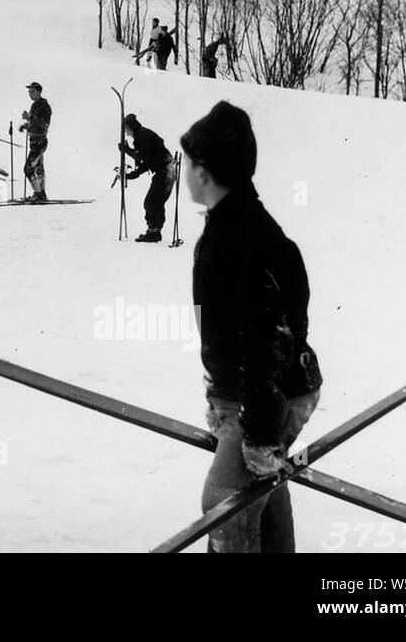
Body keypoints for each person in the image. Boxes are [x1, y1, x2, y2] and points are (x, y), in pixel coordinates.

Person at [180, 101, 323, 554]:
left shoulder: (238, 240)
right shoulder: (236, 227)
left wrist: (258, 433)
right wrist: (220, 393)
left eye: (188, 163)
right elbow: (231, 329)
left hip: (270, 391)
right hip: (258, 390)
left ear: (203, 172)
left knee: (224, 502)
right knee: (258, 490)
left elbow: (270, 339)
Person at [120, 112, 176, 242]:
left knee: (151, 202)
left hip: (166, 170)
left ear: (131, 127)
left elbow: (145, 156)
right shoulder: (141, 136)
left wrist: (127, 151)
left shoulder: (143, 136)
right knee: (156, 202)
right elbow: (149, 160)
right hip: (166, 169)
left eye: (126, 130)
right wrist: (135, 173)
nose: (126, 134)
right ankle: (155, 231)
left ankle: (153, 232)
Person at [19, 82, 52, 203]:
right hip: (35, 142)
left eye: (32, 91)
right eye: (29, 92)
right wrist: (26, 126)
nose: (30, 94)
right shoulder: (35, 105)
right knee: (39, 169)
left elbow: (44, 124)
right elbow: (35, 124)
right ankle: (41, 193)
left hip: (40, 142)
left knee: (28, 168)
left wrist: (30, 118)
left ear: (39, 92)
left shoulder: (44, 106)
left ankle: (38, 194)